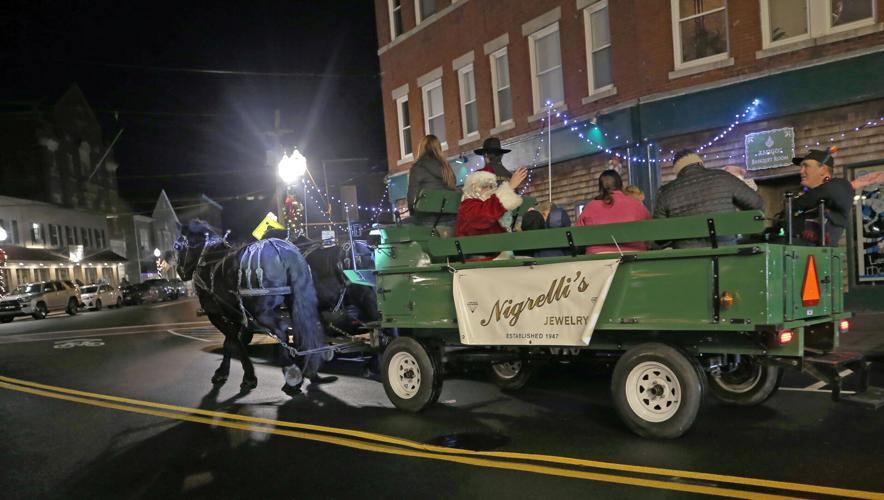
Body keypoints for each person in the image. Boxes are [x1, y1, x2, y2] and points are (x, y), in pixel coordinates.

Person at [654, 150, 763, 248]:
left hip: (687, 257)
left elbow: (660, 237)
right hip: (726, 253)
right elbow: (757, 204)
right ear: (700, 163)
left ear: (677, 171)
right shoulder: (722, 177)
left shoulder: (665, 191)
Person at [788, 149, 854, 246]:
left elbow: (827, 191)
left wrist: (791, 205)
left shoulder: (841, 186)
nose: (801, 171)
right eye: (801, 167)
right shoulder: (806, 198)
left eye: (806, 166)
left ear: (823, 169)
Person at [577, 170, 651, 254]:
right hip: (633, 256)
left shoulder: (590, 207)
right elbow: (650, 231)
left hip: (598, 257)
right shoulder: (636, 204)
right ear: (620, 185)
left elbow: (578, 237)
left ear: (600, 187)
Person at [455, 167, 528, 237]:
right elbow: (484, 215)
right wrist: (510, 186)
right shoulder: (467, 205)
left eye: (491, 186)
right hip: (475, 244)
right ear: (473, 187)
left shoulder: (488, 204)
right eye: (484, 186)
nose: (489, 190)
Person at [406, 135, 458, 229]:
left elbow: (411, 199)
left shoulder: (416, 168)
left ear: (421, 148)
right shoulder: (447, 168)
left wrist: (413, 213)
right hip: (451, 220)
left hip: (425, 220)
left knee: (400, 225)